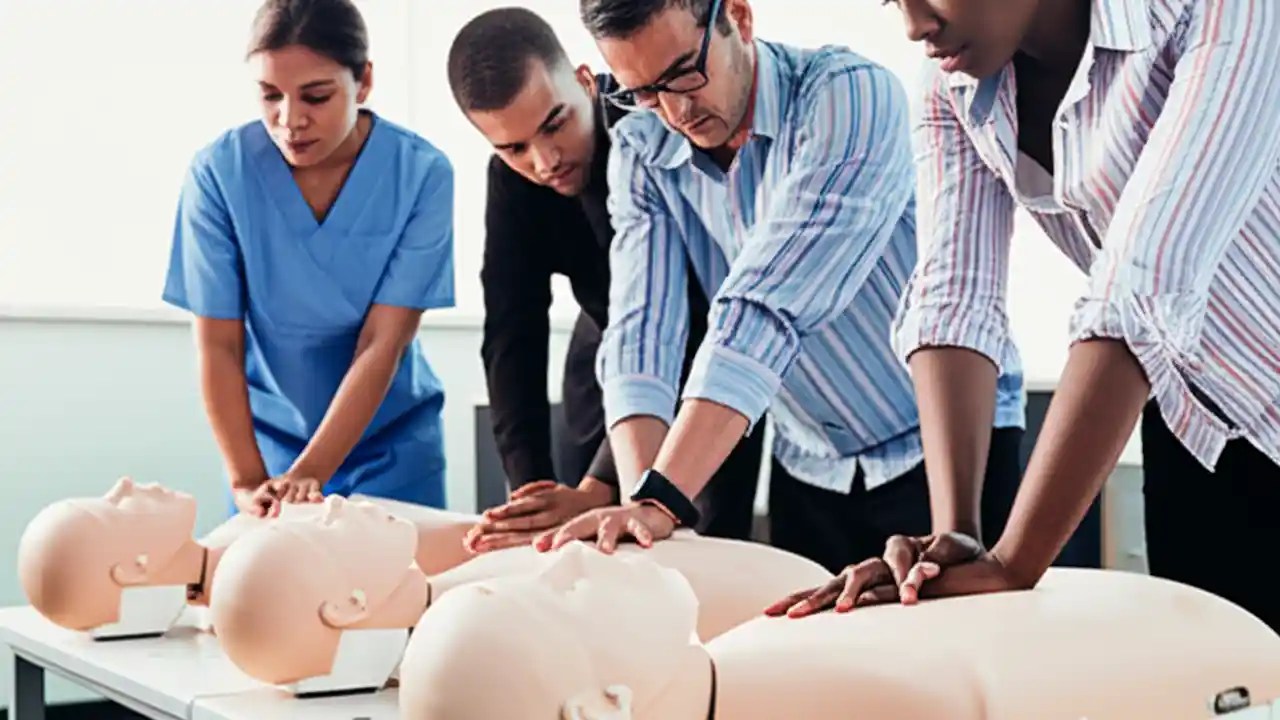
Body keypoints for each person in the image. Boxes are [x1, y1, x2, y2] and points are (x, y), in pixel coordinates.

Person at [824, 0, 1280, 632]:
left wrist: (1014, 563)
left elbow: (1142, 282)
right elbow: (953, 297)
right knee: (1226, 688)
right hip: (1195, 423)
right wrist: (957, 534)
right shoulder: (952, 90)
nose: (913, 25)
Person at [538, 0, 1027, 580]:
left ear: (738, 19)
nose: (674, 111)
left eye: (683, 76)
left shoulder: (849, 98)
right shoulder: (643, 148)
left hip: (945, 447)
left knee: (962, 656)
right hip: (811, 467)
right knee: (816, 665)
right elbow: (641, 331)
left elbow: (770, 306)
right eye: (644, 92)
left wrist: (664, 495)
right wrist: (642, 511)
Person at [444, 7, 771, 551]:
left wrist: (606, 486)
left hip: (706, 361)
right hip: (597, 364)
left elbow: (688, 313)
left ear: (585, 82)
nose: (544, 160)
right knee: (573, 549)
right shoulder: (510, 181)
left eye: (555, 124)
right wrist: (531, 493)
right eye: (514, 147)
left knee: (701, 555)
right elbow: (511, 333)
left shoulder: (659, 124)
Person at [163, 0, 455, 518]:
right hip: (268, 451)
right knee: (262, 593)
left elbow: (381, 342)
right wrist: (247, 481)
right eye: (269, 95)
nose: (289, 120)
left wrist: (312, 473)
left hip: (393, 447)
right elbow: (218, 345)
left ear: (363, 82)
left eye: (316, 97)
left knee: (394, 591)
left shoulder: (421, 174)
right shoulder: (220, 174)